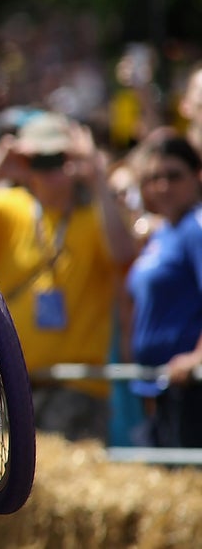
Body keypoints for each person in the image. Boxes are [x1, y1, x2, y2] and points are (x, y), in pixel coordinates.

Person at [0, 111, 137, 442]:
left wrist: (97, 174)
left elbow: (124, 254)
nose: (50, 167)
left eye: (58, 157)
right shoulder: (5, 206)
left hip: (77, 385)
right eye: (39, 157)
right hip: (11, 382)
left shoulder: (98, 213)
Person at [124, 134, 202, 447]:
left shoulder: (195, 227)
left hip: (191, 388)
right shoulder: (163, 231)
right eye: (154, 178)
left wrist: (197, 357)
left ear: (197, 175)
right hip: (159, 387)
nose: (163, 187)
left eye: (174, 176)